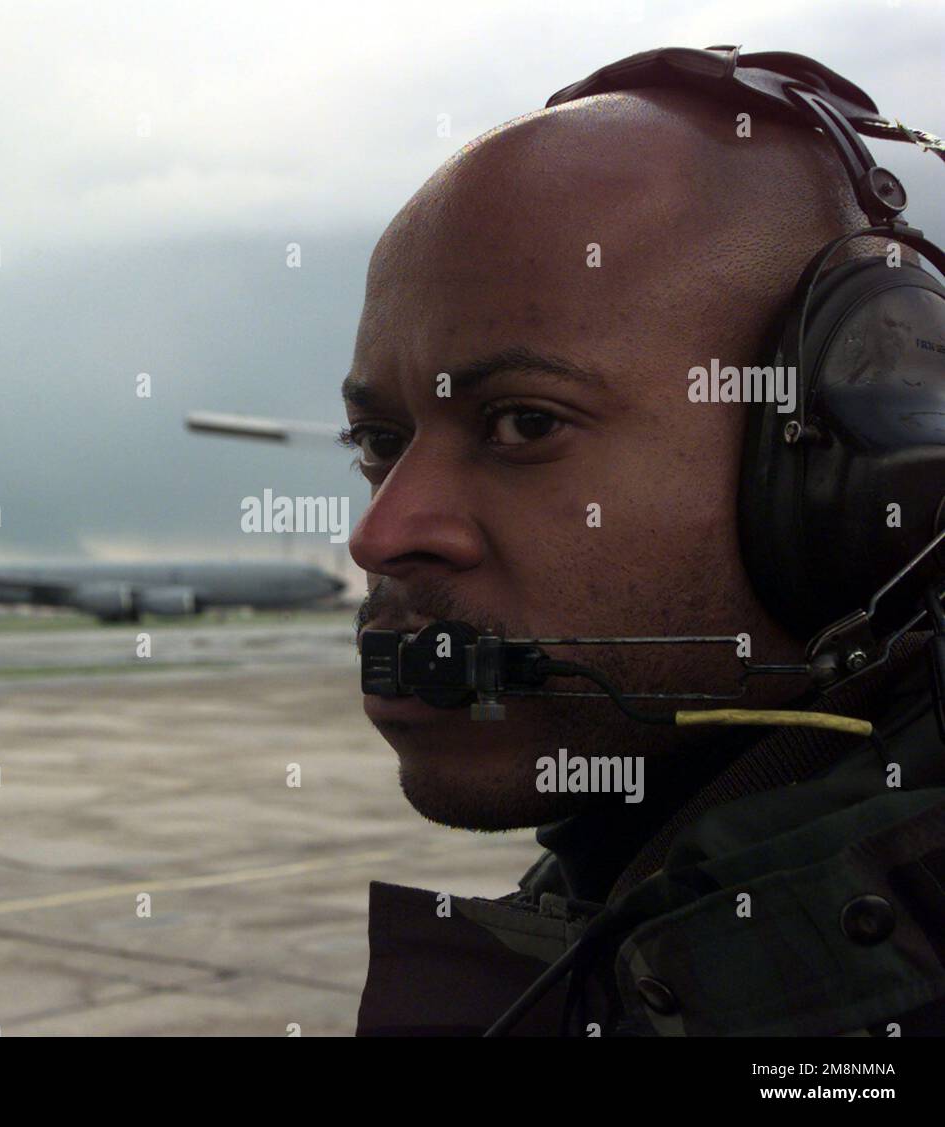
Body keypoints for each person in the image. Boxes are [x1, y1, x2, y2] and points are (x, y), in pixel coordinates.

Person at [343, 50, 945, 1036]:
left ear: (854, 468)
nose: (382, 533)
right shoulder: (658, 883)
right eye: (378, 442)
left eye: (524, 424)